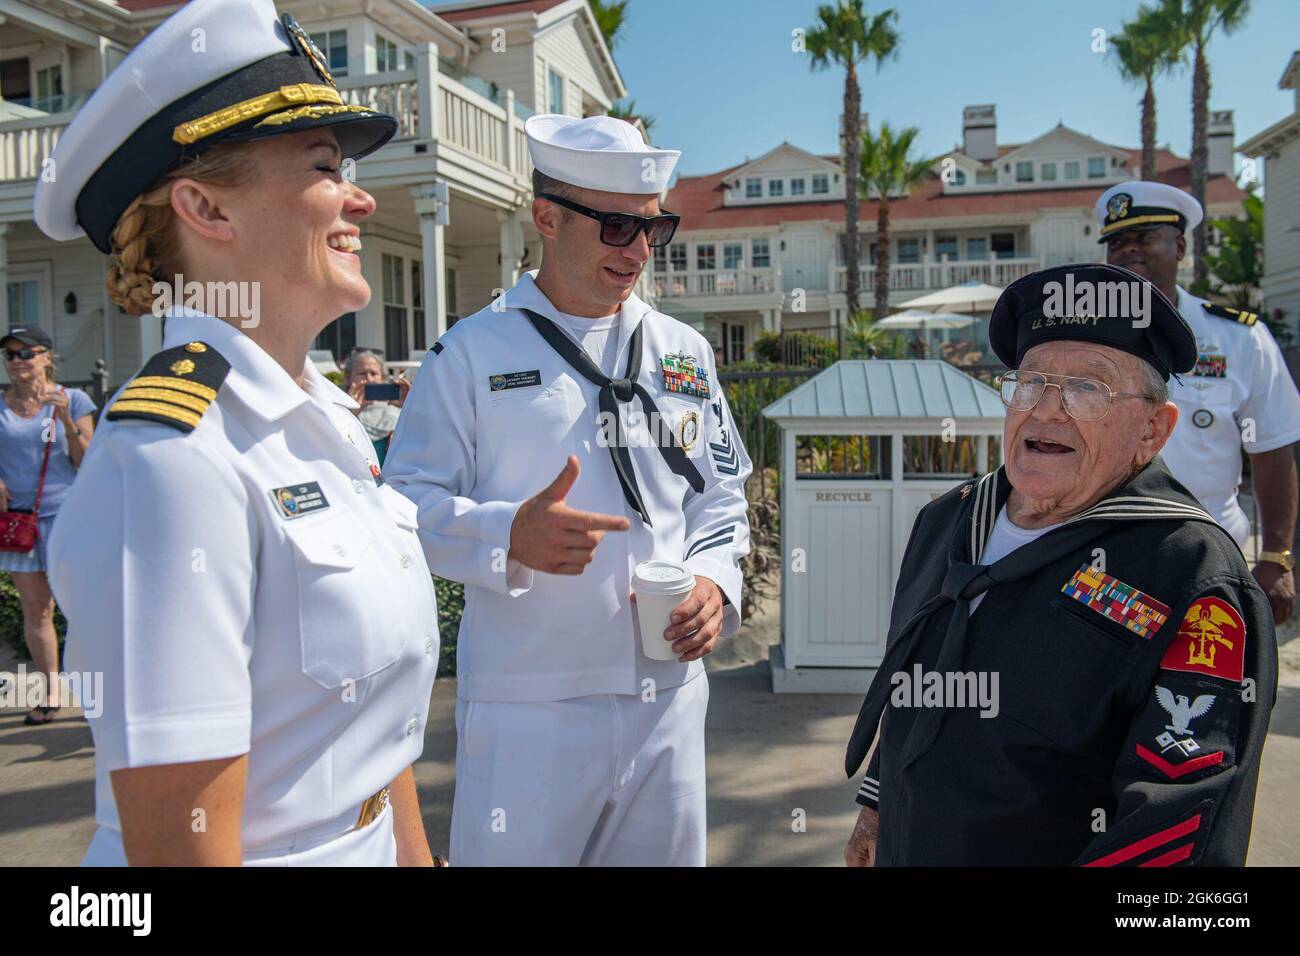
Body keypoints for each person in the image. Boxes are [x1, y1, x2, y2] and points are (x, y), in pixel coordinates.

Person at [33, 0, 440, 866]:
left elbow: (366, 719)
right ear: (206, 210)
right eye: (326, 167)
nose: (361, 198)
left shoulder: (322, 418)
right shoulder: (171, 457)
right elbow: (179, 844)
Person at [385, 114, 753, 866]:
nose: (640, 251)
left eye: (656, 229)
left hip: (669, 702)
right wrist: (503, 534)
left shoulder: (683, 351)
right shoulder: (470, 353)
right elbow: (399, 508)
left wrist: (716, 581)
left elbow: (721, 495)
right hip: (529, 707)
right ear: (546, 218)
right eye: (618, 227)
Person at [842, 263, 1276, 867]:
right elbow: (915, 681)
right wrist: (878, 806)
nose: (1046, 410)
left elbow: (1177, 825)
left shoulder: (1191, 573)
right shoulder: (947, 521)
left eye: (1087, 389)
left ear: (1154, 428)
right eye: (1031, 382)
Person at [1098, 181, 1300, 625]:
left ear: (1181, 246)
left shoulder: (1239, 338)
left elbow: (1272, 447)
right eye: (1117, 241)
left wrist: (1276, 557)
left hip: (1209, 559)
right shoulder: (1082, 341)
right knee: (1103, 688)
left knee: (1209, 687)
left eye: (1145, 236)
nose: (1129, 250)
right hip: (1105, 561)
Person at [0, 326, 96, 724]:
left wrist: (65, 421)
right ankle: (50, 693)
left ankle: (94, 695)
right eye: (9, 355)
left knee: (82, 607)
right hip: (17, 522)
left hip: (66, 515)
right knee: (37, 609)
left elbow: (87, 460)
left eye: (26, 353)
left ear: (47, 357)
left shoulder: (73, 400)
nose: (17, 361)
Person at [343, 347, 408, 463]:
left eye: (374, 374)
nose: (369, 379)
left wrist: (409, 411)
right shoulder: (337, 411)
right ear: (348, 378)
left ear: (382, 378)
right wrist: (350, 413)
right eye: (362, 374)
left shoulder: (397, 411)